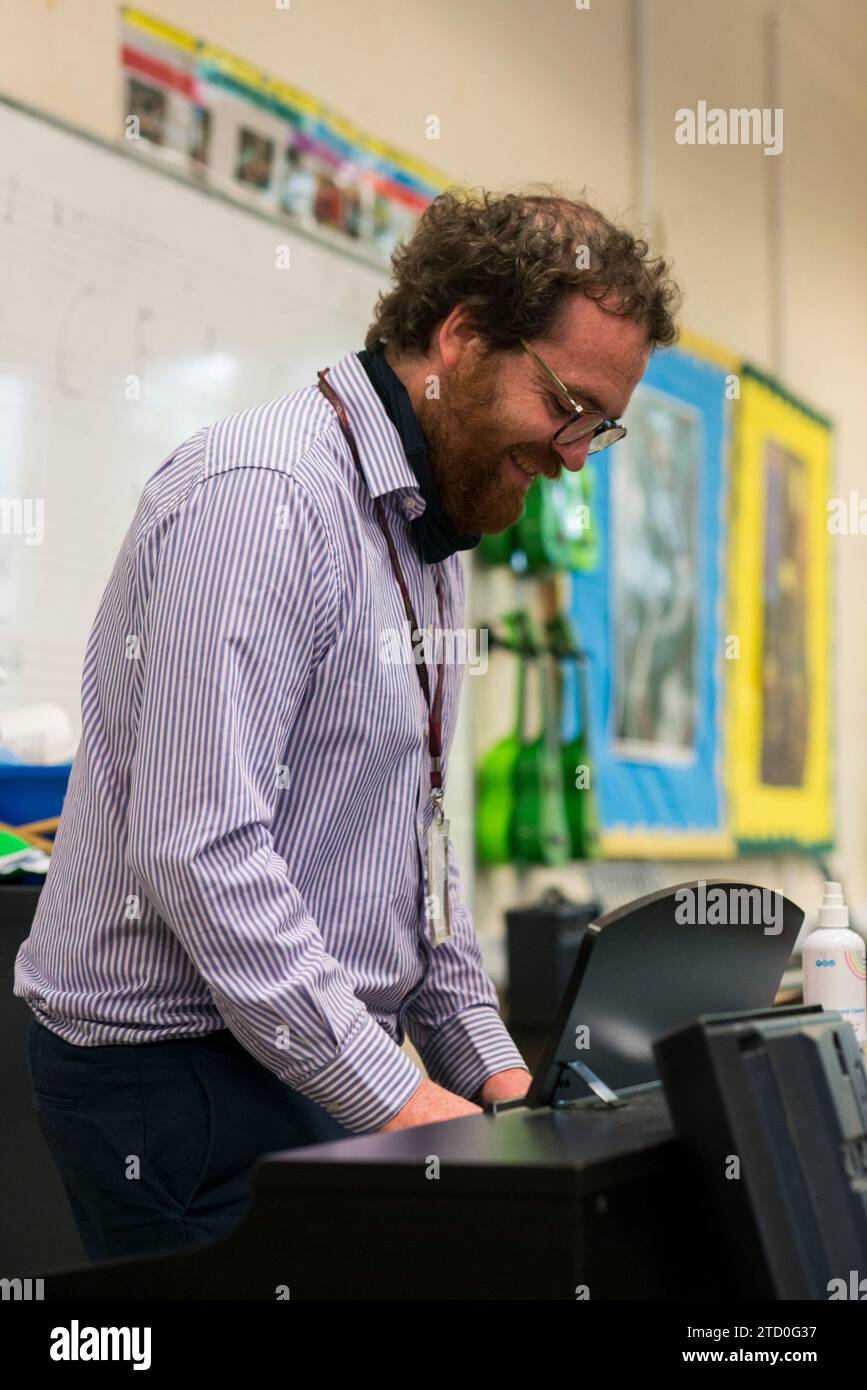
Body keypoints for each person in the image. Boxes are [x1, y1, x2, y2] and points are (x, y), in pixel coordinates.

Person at [15, 187, 681, 1263]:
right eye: (566, 404)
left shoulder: (434, 523)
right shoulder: (261, 498)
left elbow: (416, 851)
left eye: (600, 426)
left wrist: (501, 1075)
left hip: (288, 1046)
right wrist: (399, 1097)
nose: (573, 455)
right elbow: (201, 848)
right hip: (173, 1074)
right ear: (461, 335)